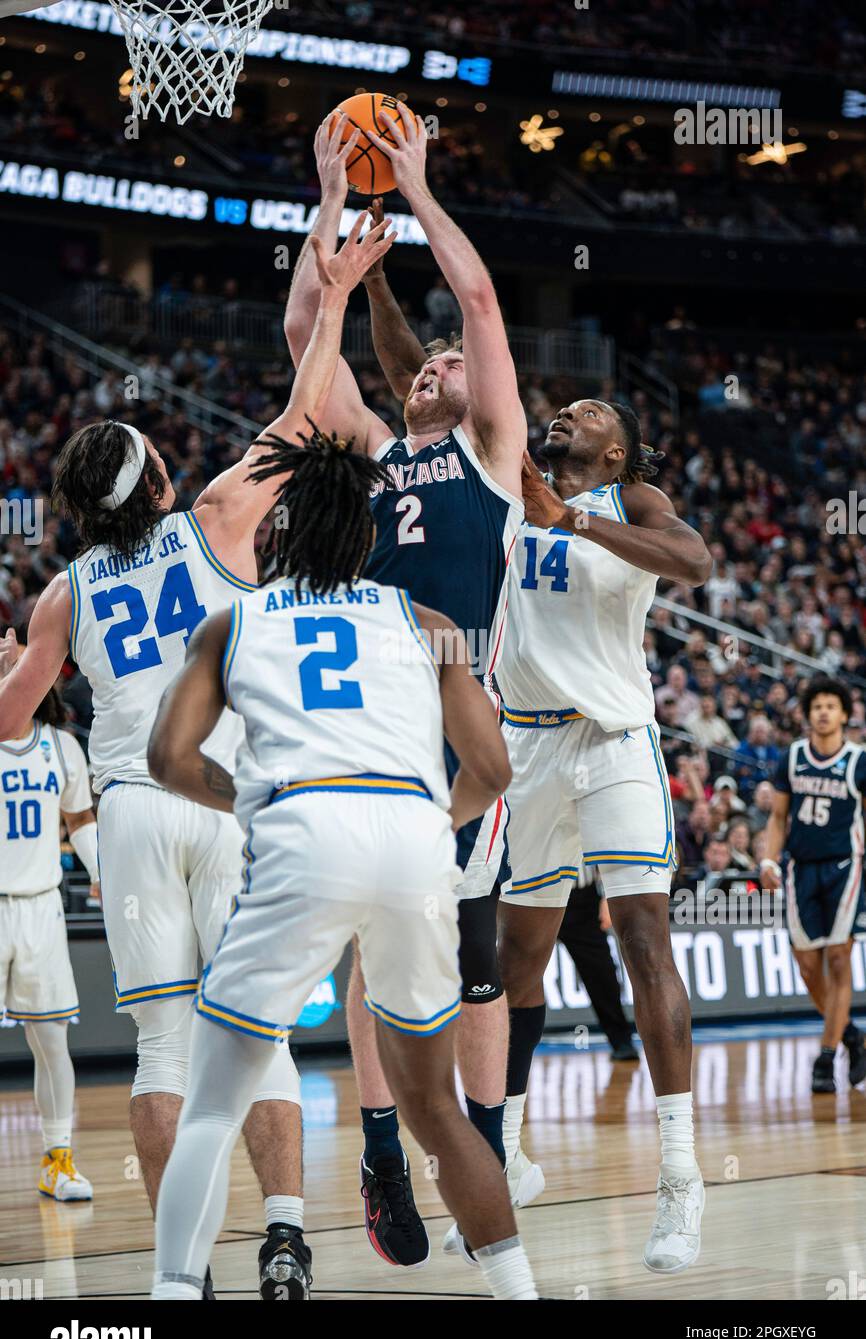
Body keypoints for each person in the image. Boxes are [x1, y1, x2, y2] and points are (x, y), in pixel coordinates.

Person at [0, 213, 395, 1298]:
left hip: (129, 810)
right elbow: (305, 409)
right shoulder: (218, 517)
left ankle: (186, 1271)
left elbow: (9, 719)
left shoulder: (59, 594)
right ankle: (280, 1234)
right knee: (257, 1034)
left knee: (164, 1051)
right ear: (161, 484)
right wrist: (334, 285)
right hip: (226, 801)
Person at [146, 430, 540, 1302]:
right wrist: (430, 826)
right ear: (367, 541)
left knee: (212, 1105)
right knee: (436, 1108)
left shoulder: (234, 620)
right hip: (411, 840)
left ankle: (172, 1295)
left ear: (278, 535)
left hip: (302, 825)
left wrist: (248, 800)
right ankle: (521, 1293)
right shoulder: (425, 623)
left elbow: (168, 757)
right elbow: (495, 770)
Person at [284, 109, 526, 1264]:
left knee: (470, 960)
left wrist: (420, 187)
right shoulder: (379, 449)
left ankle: (475, 1137)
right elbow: (305, 343)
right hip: (377, 698)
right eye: (420, 363)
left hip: (458, 689)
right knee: (370, 951)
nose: (434, 363)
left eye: (442, 365)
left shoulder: (488, 447)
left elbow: (476, 307)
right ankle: (384, 1145)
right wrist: (328, 200)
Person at [494, 401, 712, 1275]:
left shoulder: (634, 502)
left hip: (614, 740)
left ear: (615, 451)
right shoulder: (509, 486)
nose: (560, 413)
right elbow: (415, 385)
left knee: (646, 945)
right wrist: (386, 278)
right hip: (526, 744)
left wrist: (572, 519)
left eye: (583, 411)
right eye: (558, 408)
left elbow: (695, 563)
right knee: (514, 962)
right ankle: (505, 1157)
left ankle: (680, 1177)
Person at [0, 672, 99, 1201]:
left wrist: (102, 867)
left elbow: (79, 817)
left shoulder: (61, 747)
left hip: (40, 907)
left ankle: (58, 1159)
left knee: (52, 1041)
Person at [761, 676, 866, 1095]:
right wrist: (768, 858)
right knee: (807, 966)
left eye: (831, 705)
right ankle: (851, 1036)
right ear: (808, 714)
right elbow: (778, 819)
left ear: (844, 714)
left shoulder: (859, 761)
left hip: (845, 866)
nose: (823, 711)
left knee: (839, 959)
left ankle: (825, 1057)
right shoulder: (792, 758)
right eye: (817, 705)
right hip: (799, 869)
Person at [556, 870, 638, 1060]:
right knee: (519, 978)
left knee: (602, 973)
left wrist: (608, 894)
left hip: (582, 897)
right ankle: (510, 1050)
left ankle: (621, 1040)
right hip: (533, 893)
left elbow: (603, 844)